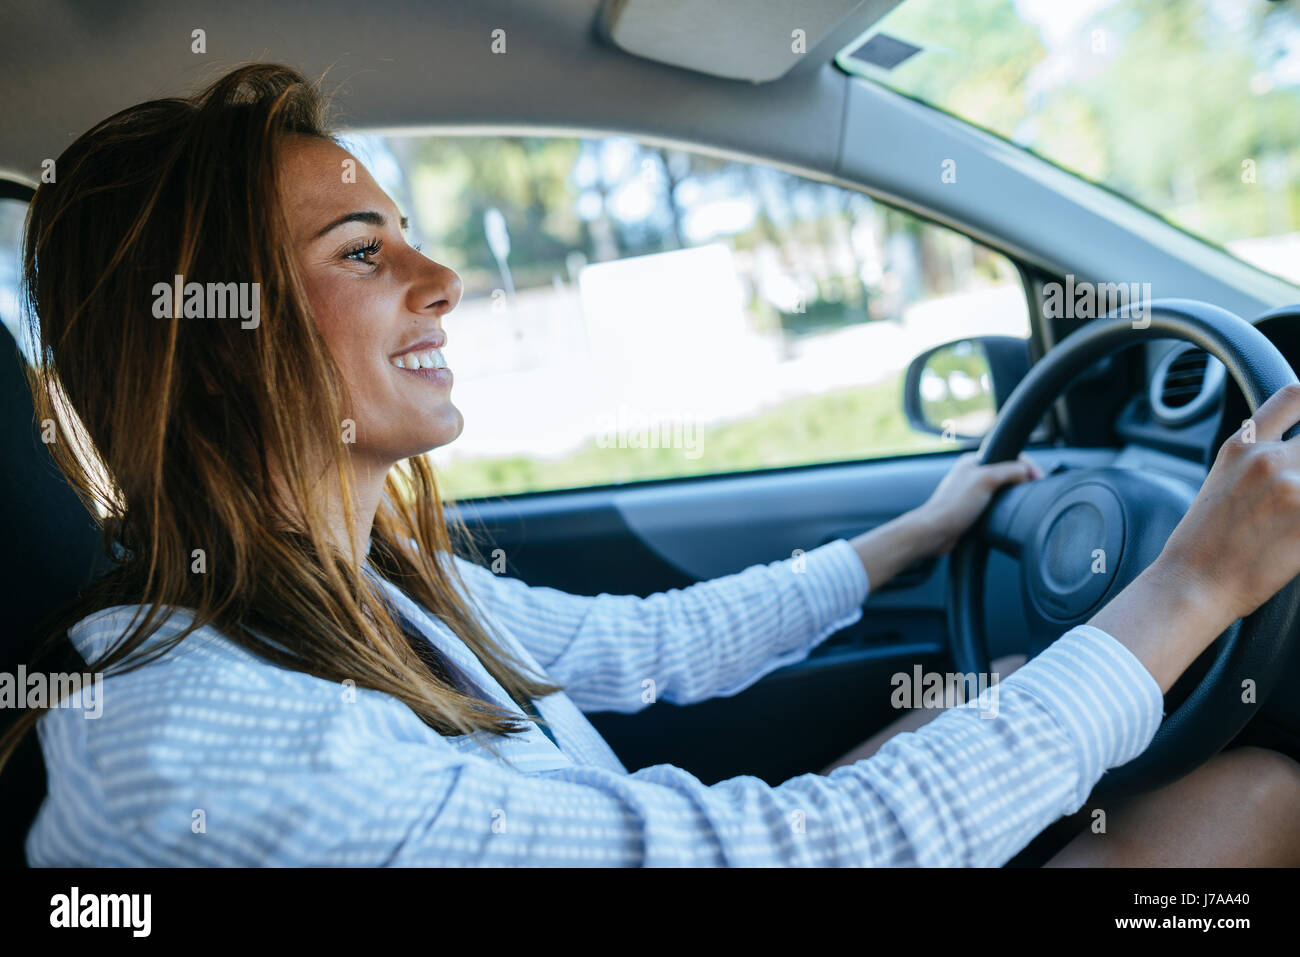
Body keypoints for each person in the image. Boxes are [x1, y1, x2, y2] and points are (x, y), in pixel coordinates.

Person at [5, 63, 1299, 866]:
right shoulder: (213, 743)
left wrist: (913, 532)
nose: (443, 281)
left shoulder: (362, 586)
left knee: (968, 695)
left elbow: (651, 643)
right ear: (217, 335)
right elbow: (799, 854)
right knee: (1254, 795)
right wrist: (1189, 588)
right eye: (362, 251)